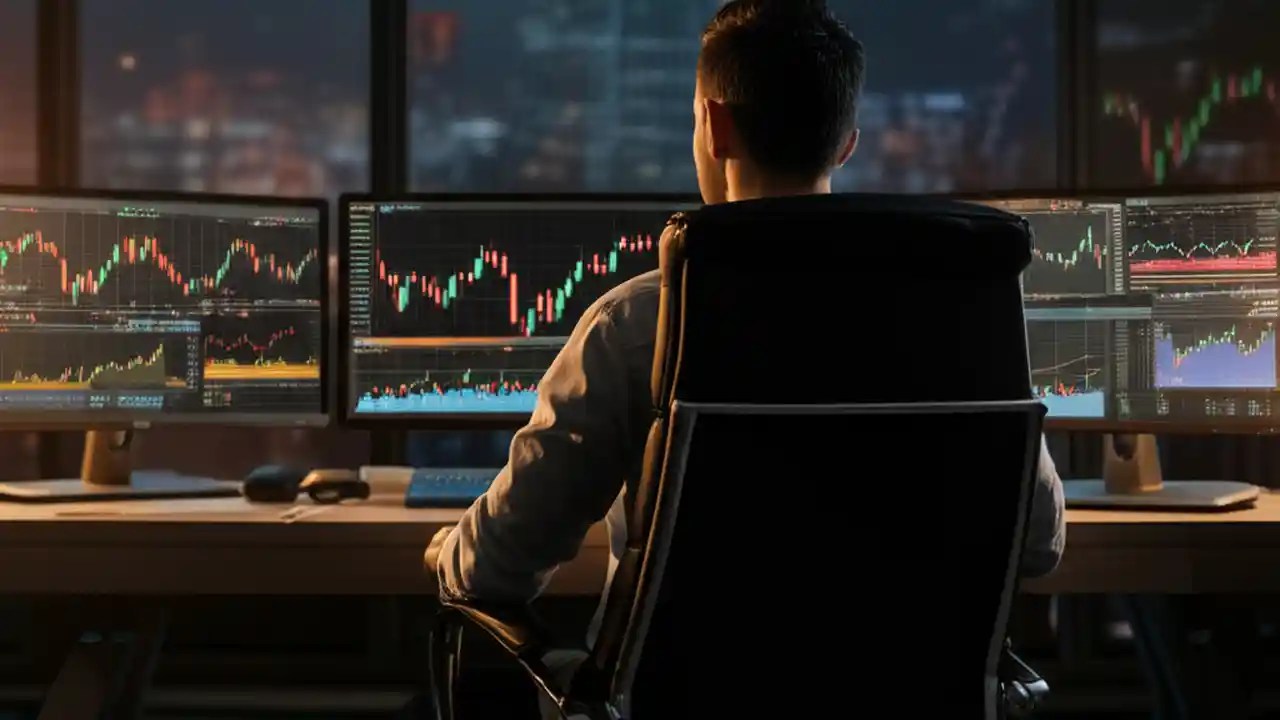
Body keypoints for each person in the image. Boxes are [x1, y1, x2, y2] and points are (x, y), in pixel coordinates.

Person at [424, 0, 1066, 708]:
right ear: (847, 143)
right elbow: (1037, 547)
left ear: (714, 124)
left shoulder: (641, 323)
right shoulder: (959, 313)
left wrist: (452, 558)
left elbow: (496, 568)